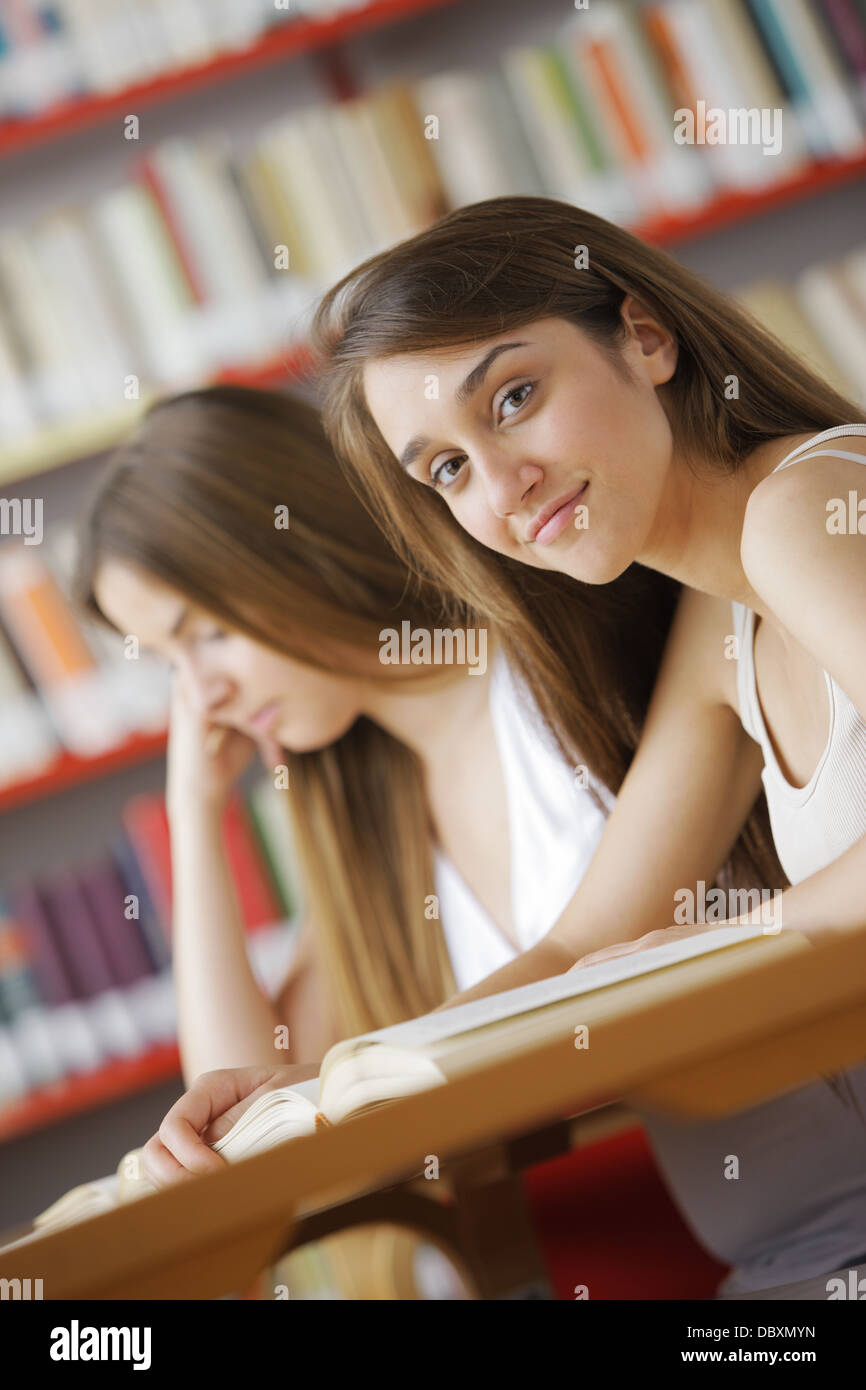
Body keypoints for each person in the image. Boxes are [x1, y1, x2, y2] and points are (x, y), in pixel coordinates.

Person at [300, 194, 866, 1300]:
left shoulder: (801, 511)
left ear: (644, 338)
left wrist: (722, 943)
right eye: (448, 470)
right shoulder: (723, 616)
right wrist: (319, 1090)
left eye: (514, 397)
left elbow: (646, 951)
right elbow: (580, 949)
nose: (502, 488)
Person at [74, 381, 675, 1293]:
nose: (201, 699)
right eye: (167, 665)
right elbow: (248, 1116)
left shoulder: (563, 657)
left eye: (205, 634)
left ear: (300, 544)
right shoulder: (369, 816)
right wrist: (193, 811)